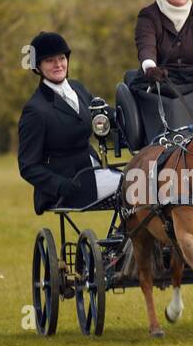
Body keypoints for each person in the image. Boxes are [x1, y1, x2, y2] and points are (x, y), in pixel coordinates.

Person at [17, 32, 120, 214]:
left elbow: (102, 112)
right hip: (69, 186)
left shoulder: (77, 88)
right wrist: (59, 185)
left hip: (93, 170)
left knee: (142, 180)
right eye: (49, 60)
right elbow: (27, 166)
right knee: (138, 186)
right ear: (37, 67)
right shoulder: (35, 110)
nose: (58, 64)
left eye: (62, 58)